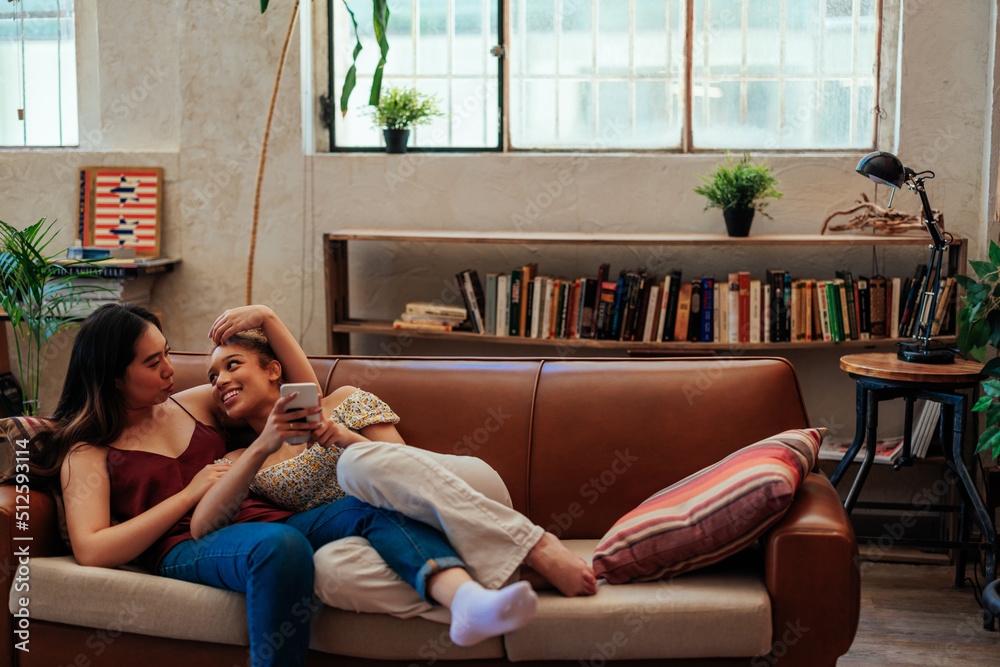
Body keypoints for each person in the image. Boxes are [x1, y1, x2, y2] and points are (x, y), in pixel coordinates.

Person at [28, 303, 542, 667]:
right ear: (114, 377)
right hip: (185, 545)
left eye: (166, 353)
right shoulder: (87, 452)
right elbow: (94, 549)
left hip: (266, 518)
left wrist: (267, 319)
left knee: (369, 509)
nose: (169, 368)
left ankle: (464, 600)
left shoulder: (189, 403)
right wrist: (188, 496)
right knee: (279, 546)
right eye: (152, 362)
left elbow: (300, 398)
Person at [198, 317, 598, 624]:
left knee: (358, 463)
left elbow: (404, 465)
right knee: (327, 569)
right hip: (395, 541)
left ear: (272, 370)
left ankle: (534, 545)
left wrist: (340, 436)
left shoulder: (341, 400)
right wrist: (262, 446)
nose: (221, 380)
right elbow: (204, 527)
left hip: (456, 497)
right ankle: (481, 594)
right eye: (212, 377)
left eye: (233, 365)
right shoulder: (242, 459)